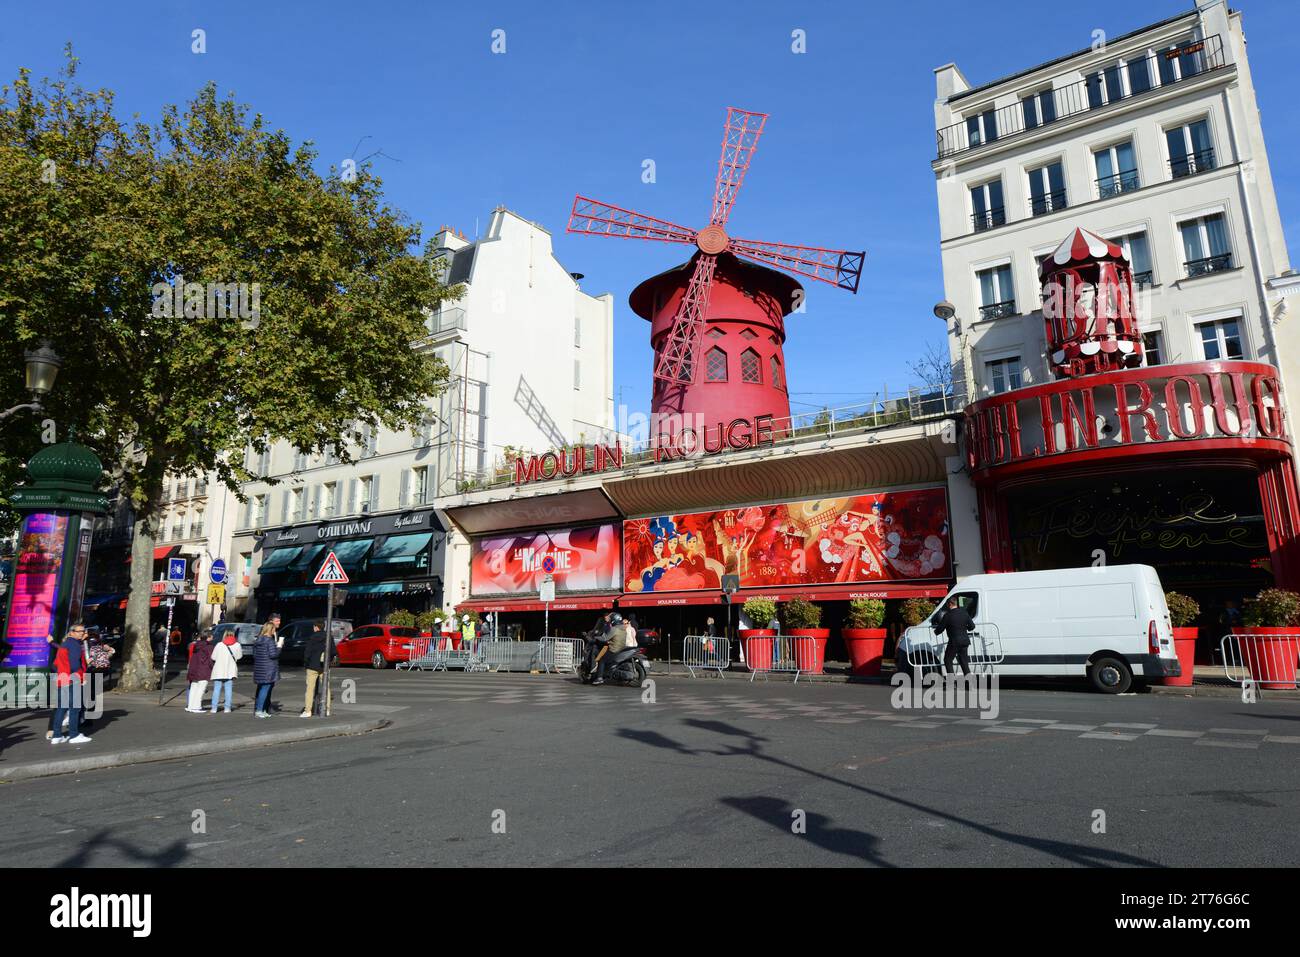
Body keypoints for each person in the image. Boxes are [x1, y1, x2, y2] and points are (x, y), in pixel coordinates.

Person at [51, 624, 92, 745]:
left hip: (61, 679)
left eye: (83, 631)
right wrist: (80, 675)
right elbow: (74, 665)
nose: (81, 633)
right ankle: (74, 735)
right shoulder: (75, 645)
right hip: (72, 679)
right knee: (74, 708)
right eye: (79, 631)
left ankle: (56, 735)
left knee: (61, 708)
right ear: (72, 632)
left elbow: (55, 664)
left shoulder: (64, 645)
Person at [934, 596, 975, 677]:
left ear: (950, 604)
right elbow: (972, 626)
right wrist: (965, 628)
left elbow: (940, 629)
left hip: (954, 642)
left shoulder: (947, 615)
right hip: (965, 641)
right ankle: (970, 685)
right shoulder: (964, 612)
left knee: (948, 660)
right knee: (964, 663)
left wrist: (935, 631)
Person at [252, 620, 283, 718]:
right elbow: (273, 655)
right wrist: (279, 646)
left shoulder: (258, 640)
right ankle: (259, 710)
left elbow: (255, 655)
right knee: (265, 690)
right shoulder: (269, 641)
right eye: (273, 629)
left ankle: (261, 710)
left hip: (260, 668)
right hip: (268, 669)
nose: (274, 631)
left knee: (261, 689)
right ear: (270, 630)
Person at [301, 621, 332, 717]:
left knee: (310, 688)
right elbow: (334, 651)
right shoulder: (328, 637)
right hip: (324, 665)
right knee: (326, 687)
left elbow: (307, 652)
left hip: (312, 665)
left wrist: (306, 663)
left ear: (316, 627)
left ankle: (308, 710)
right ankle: (326, 709)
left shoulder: (312, 637)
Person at [209, 630, 242, 713]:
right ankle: (227, 708)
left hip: (219, 670)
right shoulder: (237, 645)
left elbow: (213, 657)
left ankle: (214, 708)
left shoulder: (219, 645)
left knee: (216, 689)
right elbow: (239, 656)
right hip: (230, 671)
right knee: (228, 689)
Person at [185, 630, 215, 712]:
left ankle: (190, 706)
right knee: (201, 688)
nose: (213, 637)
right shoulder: (209, 647)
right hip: (203, 670)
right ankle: (196, 706)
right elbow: (211, 659)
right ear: (208, 637)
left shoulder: (195, 645)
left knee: (194, 687)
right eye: (212, 635)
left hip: (194, 669)